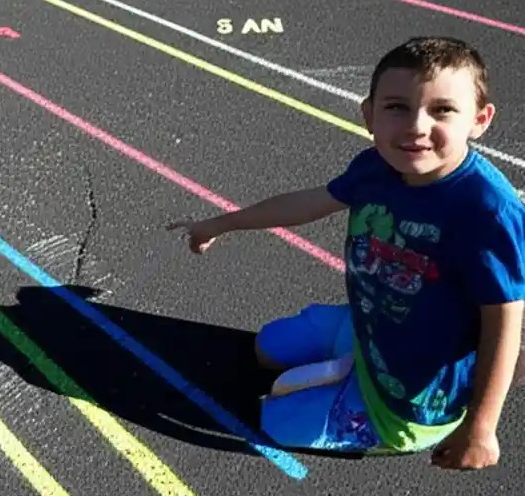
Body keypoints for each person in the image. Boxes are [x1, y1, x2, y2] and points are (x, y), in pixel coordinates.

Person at [168, 37, 525, 470]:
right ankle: (351, 363)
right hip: (371, 328)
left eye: (442, 109)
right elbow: (305, 204)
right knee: (265, 349)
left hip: (412, 399)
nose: (415, 125)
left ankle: (397, 425)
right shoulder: (377, 167)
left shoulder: (487, 210)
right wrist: (220, 223)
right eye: (396, 107)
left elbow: (504, 322)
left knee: (273, 420)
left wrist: (482, 428)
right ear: (368, 115)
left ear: (479, 120)